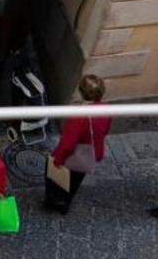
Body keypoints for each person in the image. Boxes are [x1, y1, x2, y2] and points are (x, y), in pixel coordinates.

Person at [43, 74, 110, 214]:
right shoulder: (106, 108)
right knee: (75, 182)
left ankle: (53, 202)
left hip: (72, 156)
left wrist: (58, 160)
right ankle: (65, 205)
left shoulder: (78, 115)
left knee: (56, 179)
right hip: (90, 153)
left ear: (81, 91)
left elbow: (68, 144)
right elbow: (105, 131)